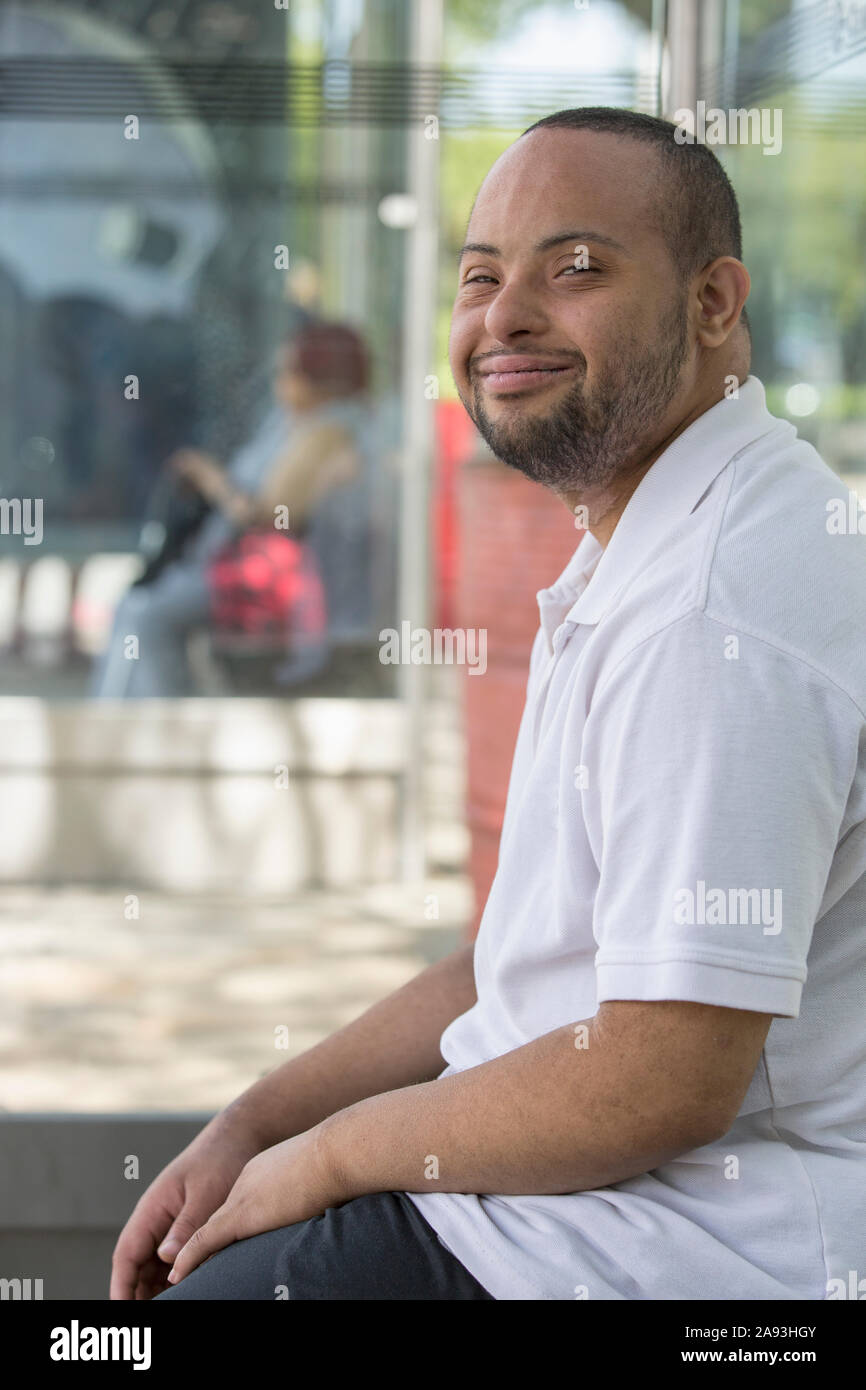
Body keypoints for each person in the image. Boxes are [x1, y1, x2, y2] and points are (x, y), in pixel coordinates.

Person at [112, 106, 866, 1301]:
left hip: (636, 1254)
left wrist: (329, 1160)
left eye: (573, 270)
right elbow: (505, 972)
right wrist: (253, 1124)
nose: (502, 316)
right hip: (531, 1213)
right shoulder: (650, 547)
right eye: (478, 276)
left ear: (713, 302)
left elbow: (649, 1080)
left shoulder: (709, 612)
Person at [91, 321, 373, 697]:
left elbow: (271, 514)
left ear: (318, 377)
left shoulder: (329, 431)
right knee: (134, 605)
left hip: (265, 577)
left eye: (289, 371)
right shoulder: (292, 423)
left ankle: (157, 723)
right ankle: (119, 712)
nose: (280, 382)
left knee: (147, 616)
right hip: (233, 562)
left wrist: (211, 480)